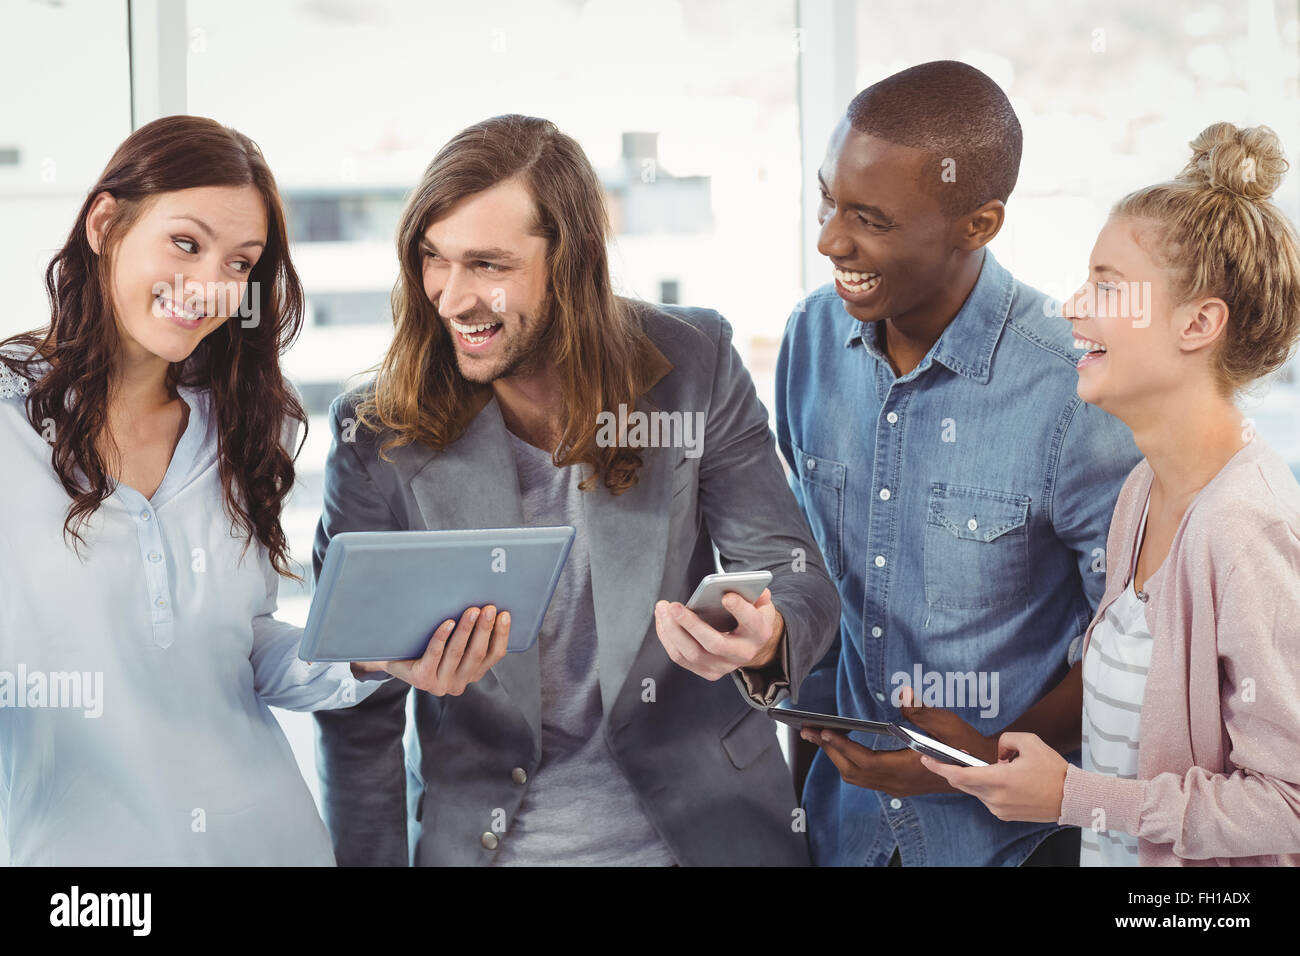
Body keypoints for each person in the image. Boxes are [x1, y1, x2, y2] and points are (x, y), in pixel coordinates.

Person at [312, 114, 841, 866]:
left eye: (489, 266)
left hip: (706, 839)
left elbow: (798, 575)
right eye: (434, 259)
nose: (452, 297)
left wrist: (769, 636)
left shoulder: (693, 364)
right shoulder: (375, 434)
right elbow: (357, 707)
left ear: (571, 262)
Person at [0, 115, 502, 865]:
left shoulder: (232, 424)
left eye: (241, 264)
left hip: (270, 843)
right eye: (186, 244)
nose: (210, 286)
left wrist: (374, 657)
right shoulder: (9, 420)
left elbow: (243, 649)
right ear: (105, 222)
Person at [775, 60, 1143, 866]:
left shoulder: (1076, 389)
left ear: (978, 225)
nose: (830, 238)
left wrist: (977, 759)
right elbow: (812, 573)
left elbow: (1138, 651)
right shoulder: (809, 342)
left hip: (1012, 845)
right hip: (843, 827)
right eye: (827, 199)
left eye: (869, 217)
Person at [923, 122, 1300, 866]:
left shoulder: (1244, 526)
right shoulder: (1142, 491)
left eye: (1105, 284)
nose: (1071, 307)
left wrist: (1070, 795)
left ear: (1199, 323)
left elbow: (1287, 806)